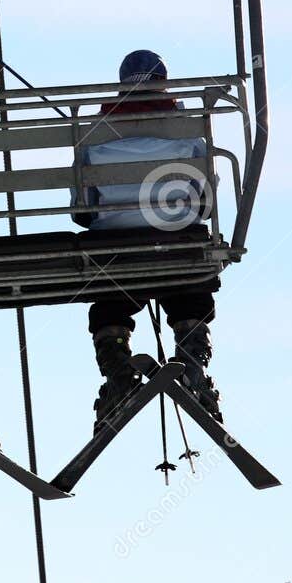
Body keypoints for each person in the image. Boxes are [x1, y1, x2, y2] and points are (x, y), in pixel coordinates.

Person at [73, 49, 222, 432]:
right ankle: (192, 357)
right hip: (177, 239)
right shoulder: (188, 128)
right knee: (186, 274)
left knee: (111, 295)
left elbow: (82, 210)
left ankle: (117, 366)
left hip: (115, 247)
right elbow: (206, 201)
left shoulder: (93, 132)